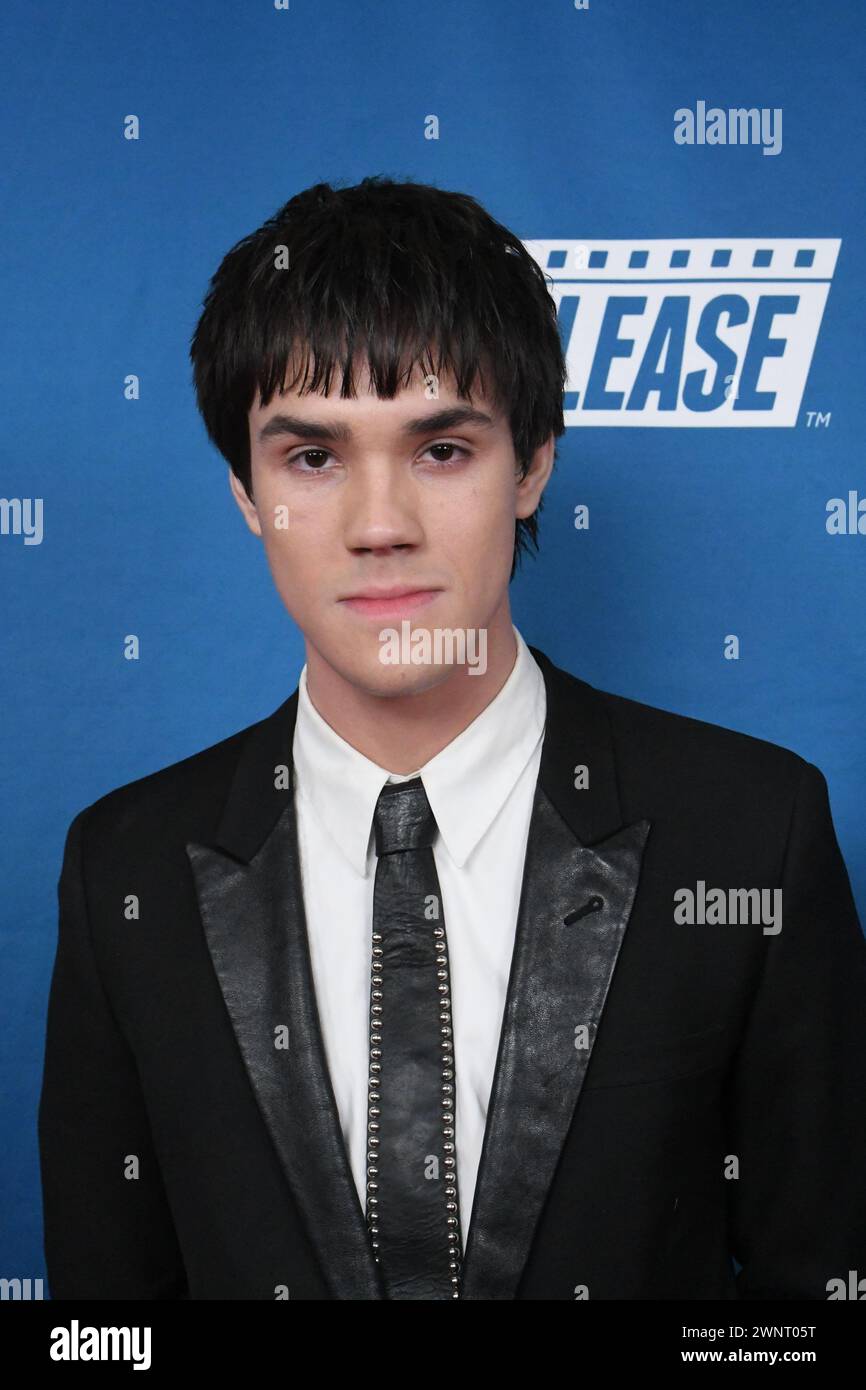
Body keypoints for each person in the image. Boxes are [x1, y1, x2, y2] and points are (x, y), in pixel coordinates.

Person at [38, 176, 866, 1300]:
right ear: (244, 490)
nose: (379, 527)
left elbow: (812, 1301)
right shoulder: (123, 868)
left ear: (531, 465)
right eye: (312, 458)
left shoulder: (749, 834)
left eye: (440, 450)